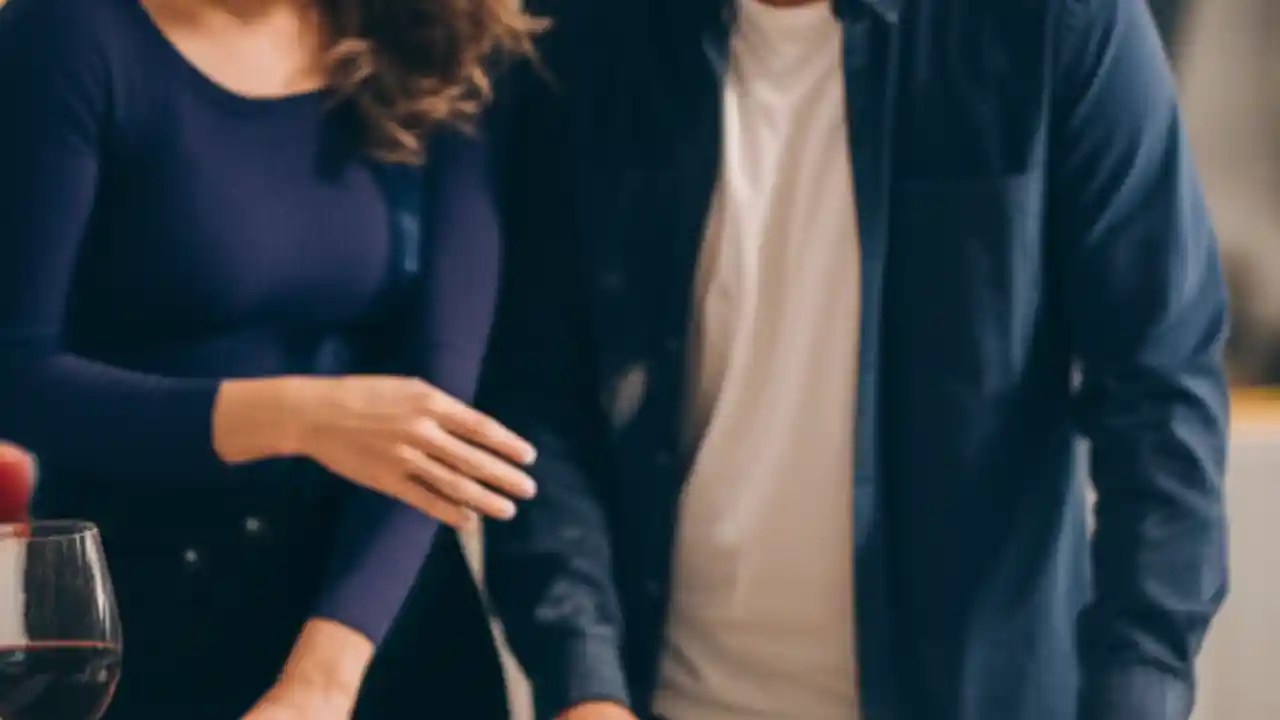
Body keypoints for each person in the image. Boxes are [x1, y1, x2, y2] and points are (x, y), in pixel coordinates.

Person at [481, 1, 1230, 719]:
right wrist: (579, 676)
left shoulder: (1054, 17)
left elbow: (1158, 381)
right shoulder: (581, 27)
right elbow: (538, 387)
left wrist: (1138, 686)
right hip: (665, 696)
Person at [0, 0, 541, 717]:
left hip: (380, 620)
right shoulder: (64, 35)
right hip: (134, 627)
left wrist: (324, 675)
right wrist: (299, 415)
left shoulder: (438, 30)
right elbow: (16, 375)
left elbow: (440, 400)